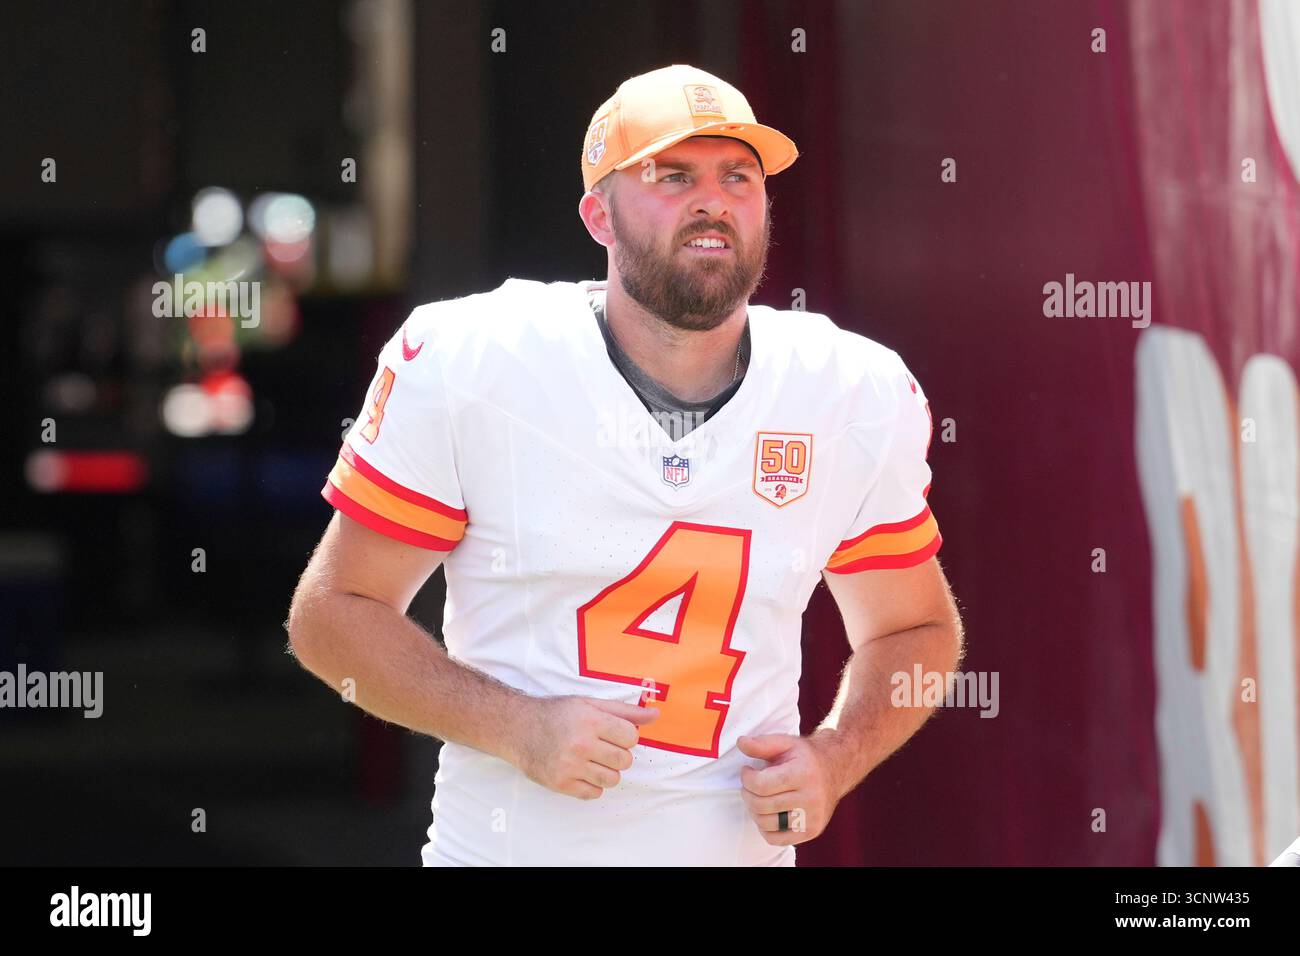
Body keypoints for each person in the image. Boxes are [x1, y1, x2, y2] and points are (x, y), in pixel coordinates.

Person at [287, 64, 964, 866]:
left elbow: (916, 627)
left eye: (737, 176)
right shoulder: (476, 361)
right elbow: (330, 616)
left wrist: (836, 757)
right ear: (598, 216)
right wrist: (519, 728)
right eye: (673, 176)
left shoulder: (850, 389)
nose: (712, 199)